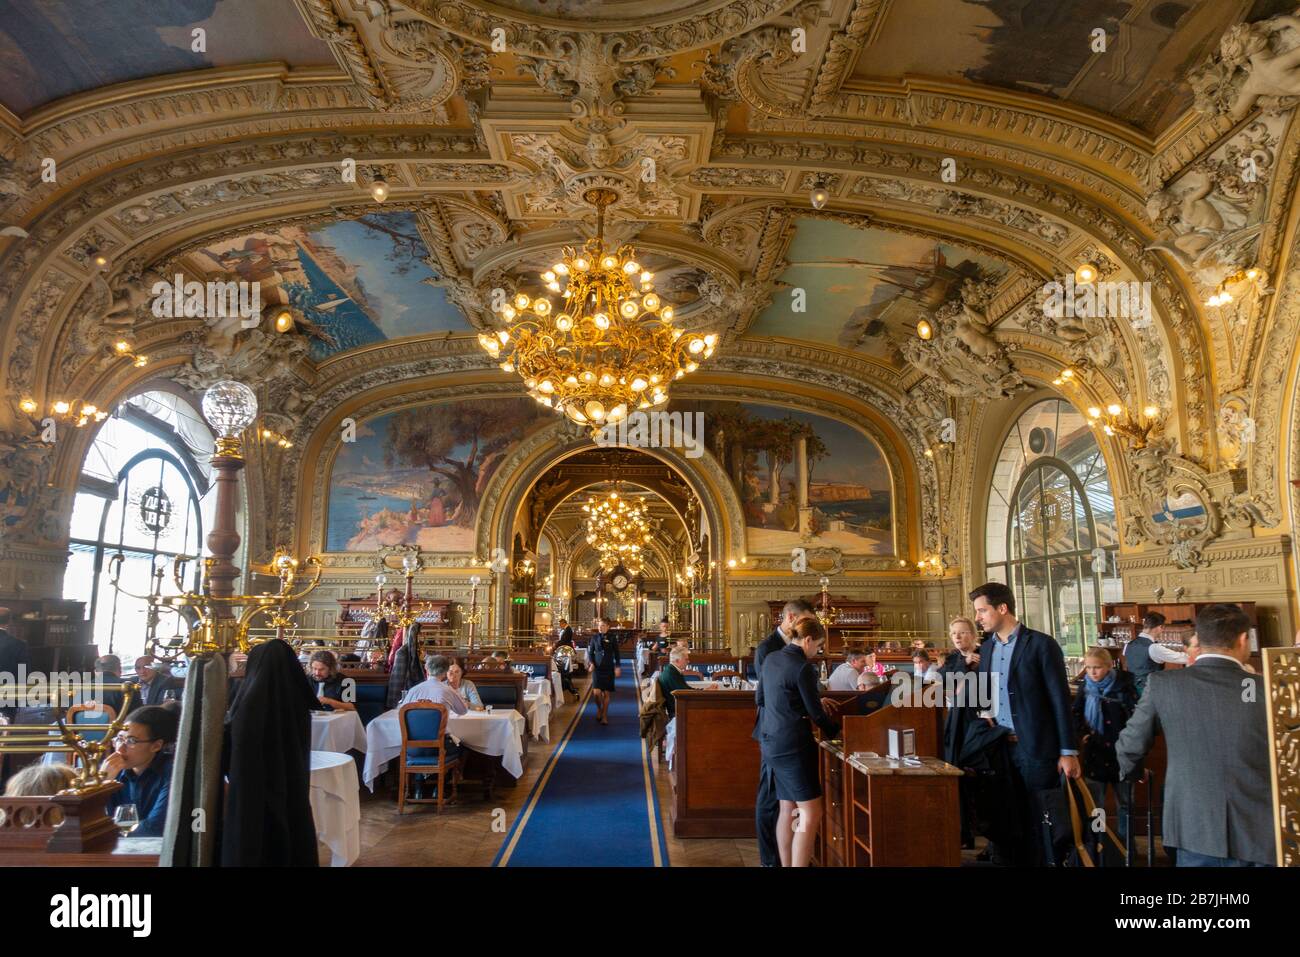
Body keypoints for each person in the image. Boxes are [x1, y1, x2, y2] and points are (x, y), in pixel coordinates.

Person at [1116, 603, 1273, 867]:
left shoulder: (1164, 685)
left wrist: (1132, 773)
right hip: (1259, 829)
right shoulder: (1264, 688)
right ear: (1244, 639)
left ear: (1198, 639)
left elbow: (1129, 746)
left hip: (1192, 826)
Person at [971, 581, 1079, 866]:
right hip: (1001, 747)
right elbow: (985, 691)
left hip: (1037, 747)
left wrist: (1068, 751)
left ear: (1002, 608)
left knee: (1042, 819)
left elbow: (1059, 699)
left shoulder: (1041, 644)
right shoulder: (988, 648)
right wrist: (985, 711)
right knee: (1009, 817)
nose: (978, 617)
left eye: (982, 611)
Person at [222, 639, 320, 866]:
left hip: (252, 792)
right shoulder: (298, 702)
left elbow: (230, 752)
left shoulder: (248, 704)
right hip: (292, 782)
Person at [758, 618, 840, 867]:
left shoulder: (771, 658)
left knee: (787, 808)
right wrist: (839, 733)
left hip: (770, 740)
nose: (818, 651)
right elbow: (816, 715)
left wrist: (802, 703)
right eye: (818, 645)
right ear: (807, 640)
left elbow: (761, 698)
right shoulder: (803, 667)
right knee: (810, 812)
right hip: (794, 745)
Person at [752, 598, 816, 867]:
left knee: (788, 804)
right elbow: (767, 696)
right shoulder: (768, 648)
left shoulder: (796, 649)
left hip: (788, 734)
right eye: (803, 620)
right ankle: (770, 860)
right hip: (775, 733)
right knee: (770, 800)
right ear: (791, 618)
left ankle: (788, 858)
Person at [1071, 647, 1138, 864]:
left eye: (1097, 667)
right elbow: (1076, 715)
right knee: (1096, 805)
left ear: (1109, 667)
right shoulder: (1086, 688)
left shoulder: (1124, 687)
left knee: (1125, 804)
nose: (1092, 672)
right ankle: (1099, 844)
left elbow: (1136, 719)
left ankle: (1127, 847)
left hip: (1121, 753)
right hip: (1096, 753)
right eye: (1088, 668)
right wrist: (1082, 735)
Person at [102, 704, 179, 838]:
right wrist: (103, 785)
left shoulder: (172, 774)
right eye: (119, 739)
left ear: (156, 745)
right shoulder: (113, 773)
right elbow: (93, 822)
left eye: (131, 741)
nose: (120, 749)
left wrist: (109, 832)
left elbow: (154, 828)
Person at [939, 616, 982, 848]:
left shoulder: (985, 654)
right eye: (954, 632)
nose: (957, 636)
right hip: (956, 721)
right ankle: (964, 833)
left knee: (980, 779)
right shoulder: (955, 658)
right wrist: (963, 664)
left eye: (963, 632)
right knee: (957, 776)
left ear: (973, 635)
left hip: (979, 721)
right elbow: (942, 678)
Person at [1124, 612, 1186, 694]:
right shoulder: (1154, 648)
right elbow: (1180, 658)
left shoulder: (1128, 645)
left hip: (1132, 690)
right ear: (1160, 627)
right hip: (1150, 691)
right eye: (1163, 627)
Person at [400, 655, 468, 714]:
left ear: (426, 669)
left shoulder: (413, 691)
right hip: (439, 729)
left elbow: (401, 711)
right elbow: (463, 711)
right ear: (445, 672)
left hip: (414, 729)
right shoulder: (449, 691)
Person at [588, 616, 622, 726]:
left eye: (602, 625)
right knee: (596, 694)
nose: (600, 627)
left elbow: (616, 653)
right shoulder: (594, 637)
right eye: (599, 625)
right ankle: (599, 708)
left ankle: (604, 715)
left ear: (608, 626)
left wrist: (617, 666)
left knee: (606, 693)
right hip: (597, 668)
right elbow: (590, 653)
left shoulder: (612, 638)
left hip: (608, 668)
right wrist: (592, 663)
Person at [0, 608, 30, 722]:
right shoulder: (19, 645)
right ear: (9, 622)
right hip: (8, 697)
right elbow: (24, 675)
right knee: (5, 728)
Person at [657, 645, 693, 719]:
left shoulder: (671, 669)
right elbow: (686, 693)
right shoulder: (671, 673)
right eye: (686, 659)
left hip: (678, 707)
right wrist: (703, 692)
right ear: (677, 661)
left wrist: (704, 690)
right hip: (678, 712)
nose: (688, 662)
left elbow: (686, 689)